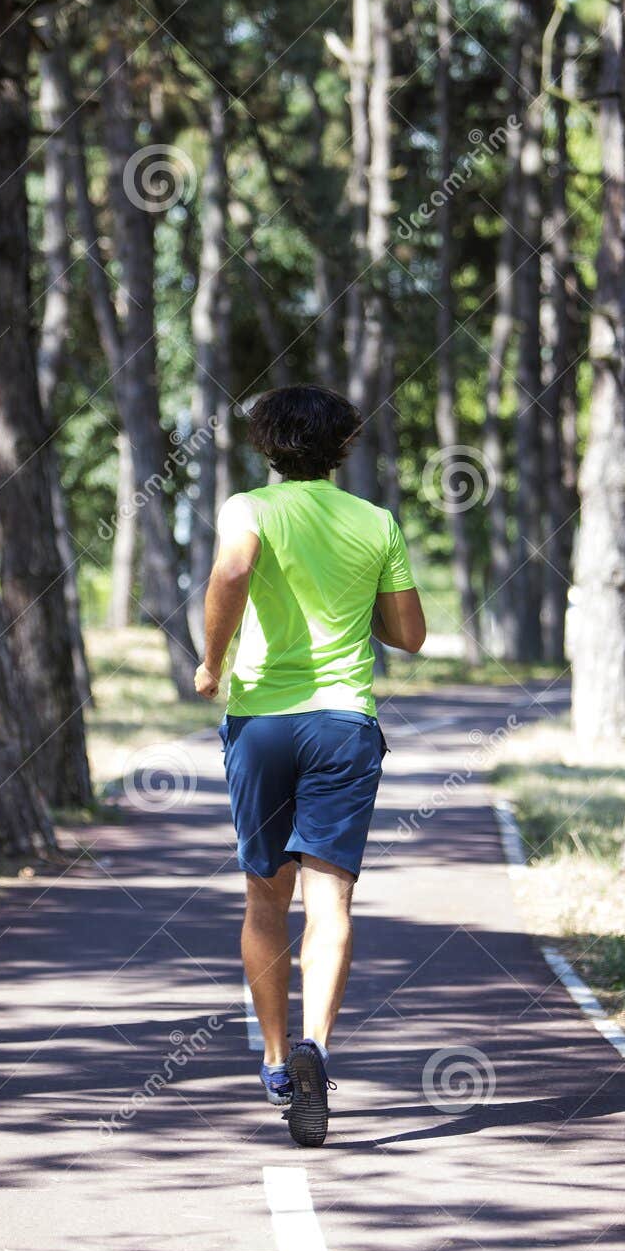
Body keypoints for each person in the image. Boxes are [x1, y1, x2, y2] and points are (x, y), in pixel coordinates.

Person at [194, 386, 426, 1145]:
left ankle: (271, 1057)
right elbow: (410, 634)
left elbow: (231, 574)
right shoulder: (376, 521)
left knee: (266, 899)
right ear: (343, 446)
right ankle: (316, 1047)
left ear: (266, 445)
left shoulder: (248, 509)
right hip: (342, 725)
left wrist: (210, 662)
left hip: (262, 723)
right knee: (331, 903)